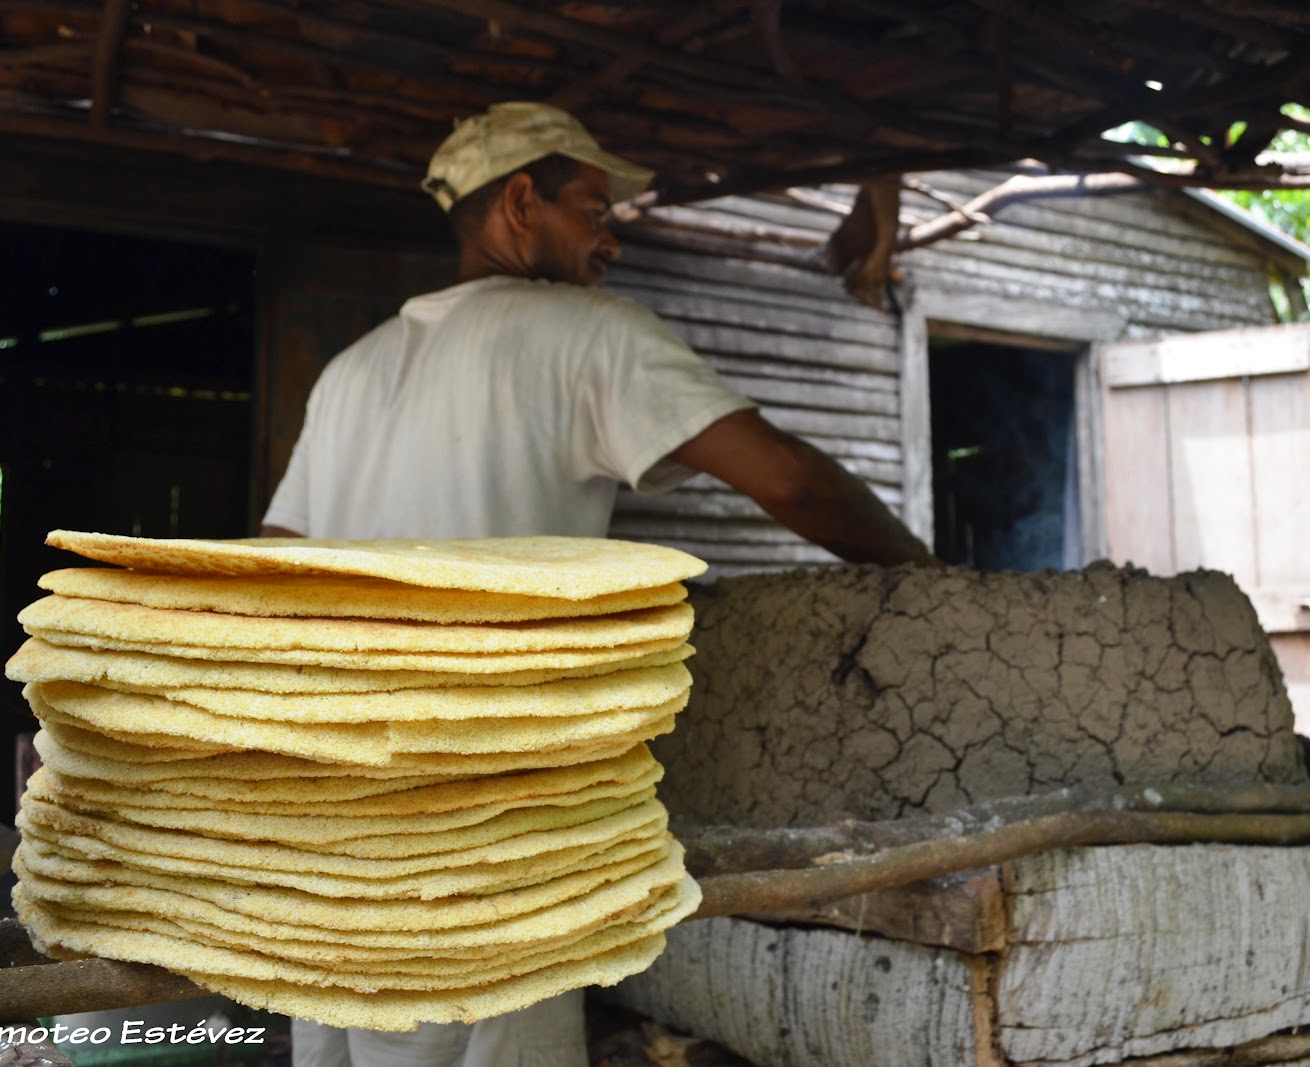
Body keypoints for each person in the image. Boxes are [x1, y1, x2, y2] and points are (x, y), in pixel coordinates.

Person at [261, 101, 932, 1067]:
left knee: (346, 1038)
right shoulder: (586, 335)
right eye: (596, 210)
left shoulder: (351, 370)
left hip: (333, 790)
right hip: (487, 794)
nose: (610, 240)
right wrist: (928, 573)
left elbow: (277, 555)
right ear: (522, 201)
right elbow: (788, 478)